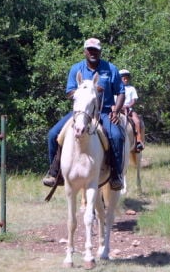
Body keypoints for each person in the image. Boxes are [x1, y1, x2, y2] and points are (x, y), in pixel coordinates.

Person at [43, 38, 126, 190]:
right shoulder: (76, 69)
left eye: (95, 50)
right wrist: (86, 91)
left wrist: (117, 109)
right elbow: (69, 91)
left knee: (117, 136)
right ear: (85, 51)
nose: (93, 53)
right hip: (80, 112)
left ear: (100, 51)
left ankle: (116, 175)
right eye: (90, 50)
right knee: (53, 134)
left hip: (104, 111)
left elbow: (120, 92)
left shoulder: (110, 69)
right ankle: (55, 172)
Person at [119, 69, 144, 152]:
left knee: (137, 121)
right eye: (124, 78)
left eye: (127, 78)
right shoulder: (116, 88)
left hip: (129, 109)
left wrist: (128, 106)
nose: (126, 80)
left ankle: (138, 140)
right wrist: (120, 106)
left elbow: (134, 100)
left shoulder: (131, 88)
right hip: (118, 109)